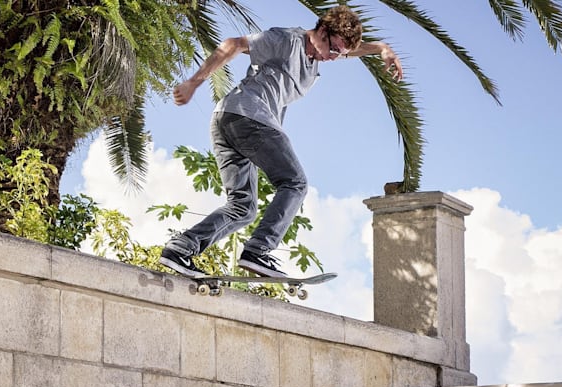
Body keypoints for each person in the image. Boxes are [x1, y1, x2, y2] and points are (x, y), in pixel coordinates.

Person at [159, 6, 403, 279]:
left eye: (340, 54)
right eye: (333, 49)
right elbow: (234, 44)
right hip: (248, 117)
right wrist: (194, 82)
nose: (334, 58)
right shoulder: (287, 40)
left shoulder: (325, 51)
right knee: (295, 183)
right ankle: (257, 251)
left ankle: (180, 249)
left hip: (227, 122)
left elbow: (350, 50)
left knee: (242, 207)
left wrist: (381, 47)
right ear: (322, 31)